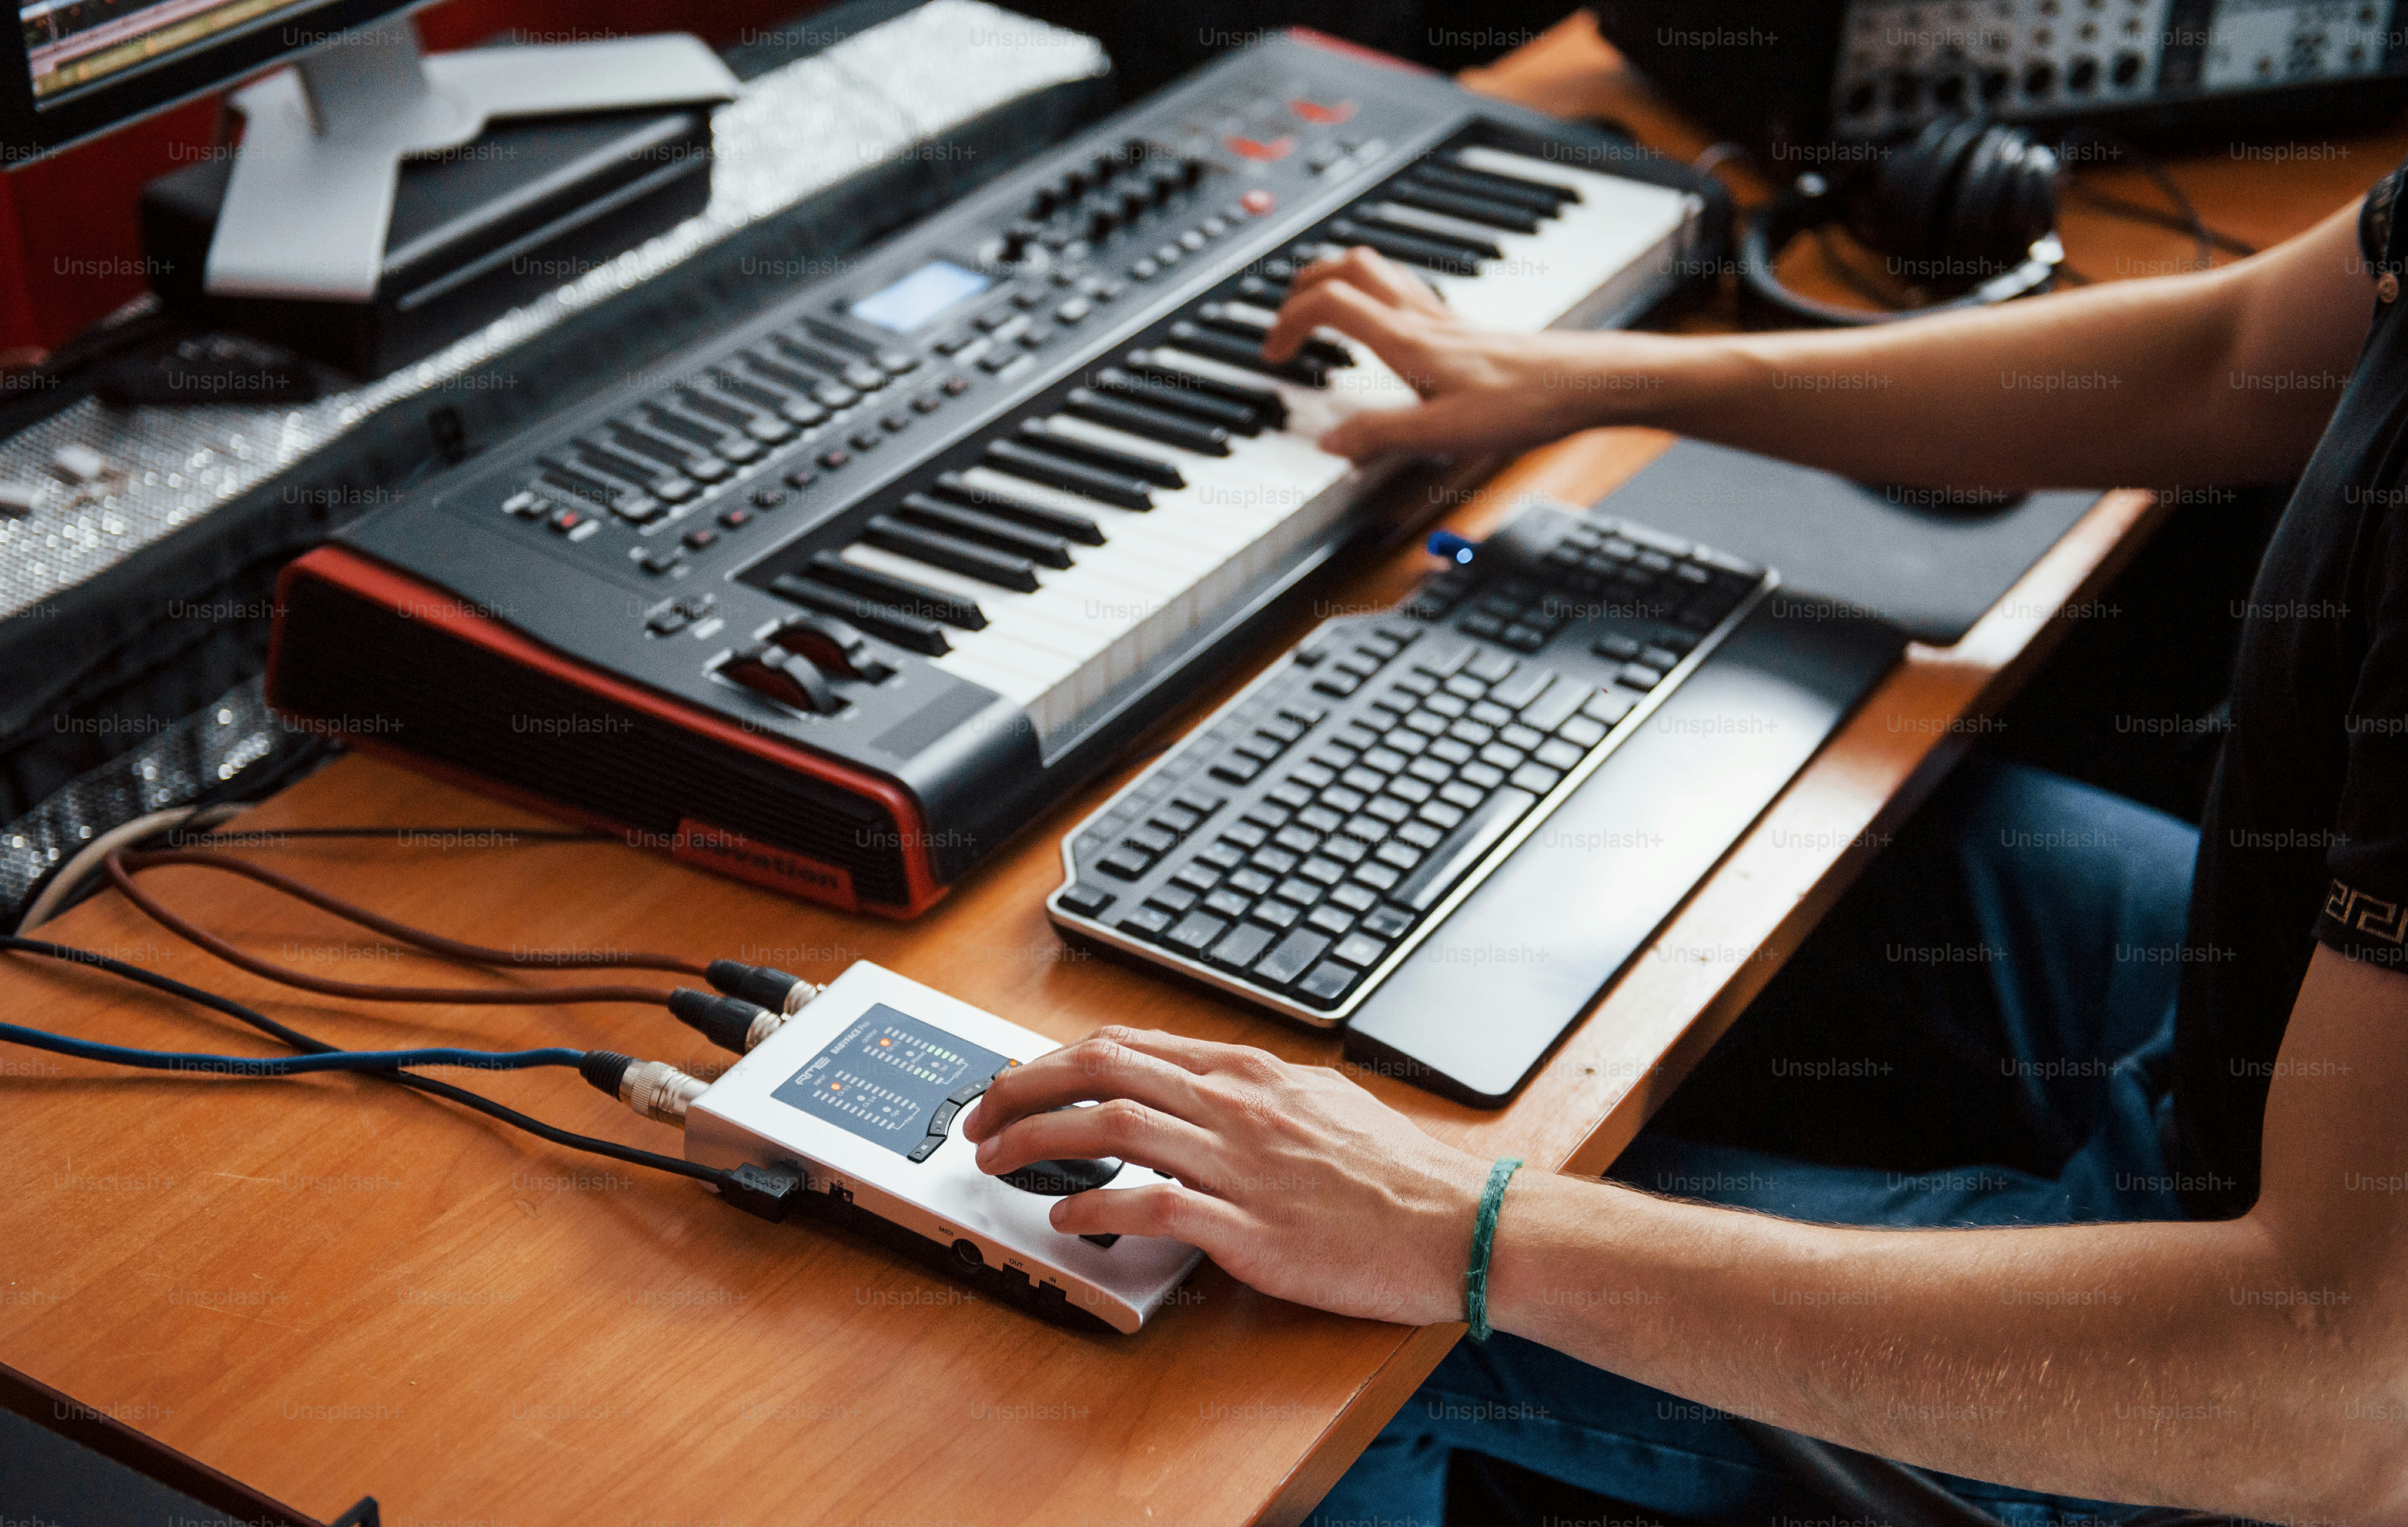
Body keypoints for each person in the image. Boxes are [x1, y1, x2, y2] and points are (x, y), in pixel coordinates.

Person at [963, 161, 2408, 1524]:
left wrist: (1459, 1229)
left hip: (2264, 1377)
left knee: (1272, 1331)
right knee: (1830, 809)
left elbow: (2341, 1403)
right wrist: (1592, 382)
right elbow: (2229, 350)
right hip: (2257, 1020)